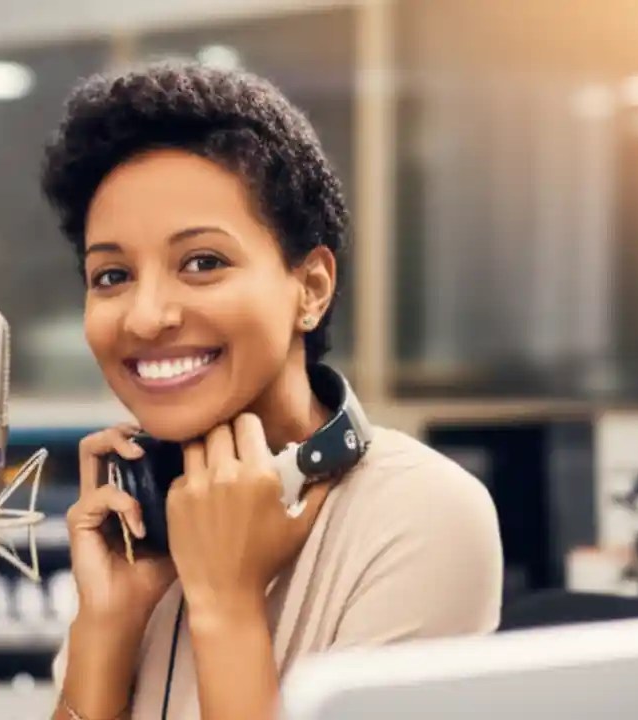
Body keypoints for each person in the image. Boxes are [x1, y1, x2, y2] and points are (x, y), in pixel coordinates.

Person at [38, 60, 503, 720]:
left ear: (310, 287)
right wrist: (107, 628)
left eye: (203, 262)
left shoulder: (423, 516)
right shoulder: (142, 523)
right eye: (111, 276)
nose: (144, 316)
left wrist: (227, 606)